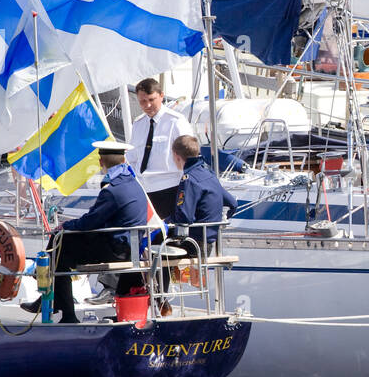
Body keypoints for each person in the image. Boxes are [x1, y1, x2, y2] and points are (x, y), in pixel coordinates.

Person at [32, 140, 149, 323]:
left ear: (101, 161)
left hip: (116, 250)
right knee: (61, 246)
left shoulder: (112, 190)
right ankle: (53, 301)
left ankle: (65, 312)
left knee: (59, 244)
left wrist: (65, 226)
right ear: (123, 159)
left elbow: (91, 221)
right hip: (128, 247)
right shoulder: (134, 184)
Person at [127, 77, 194, 220]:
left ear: (161, 96)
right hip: (143, 190)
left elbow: (190, 155)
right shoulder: (138, 123)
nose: (148, 105)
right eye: (143, 101)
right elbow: (132, 158)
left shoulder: (176, 121)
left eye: (152, 100)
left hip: (169, 188)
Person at [168, 135, 237, 246]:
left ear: (176, 156)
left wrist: (165, 222)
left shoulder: (189, 180)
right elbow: (233, 204)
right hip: (209, 241)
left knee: (152, 246)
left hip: (192, 242)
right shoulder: (210, 175)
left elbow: (184, 217)